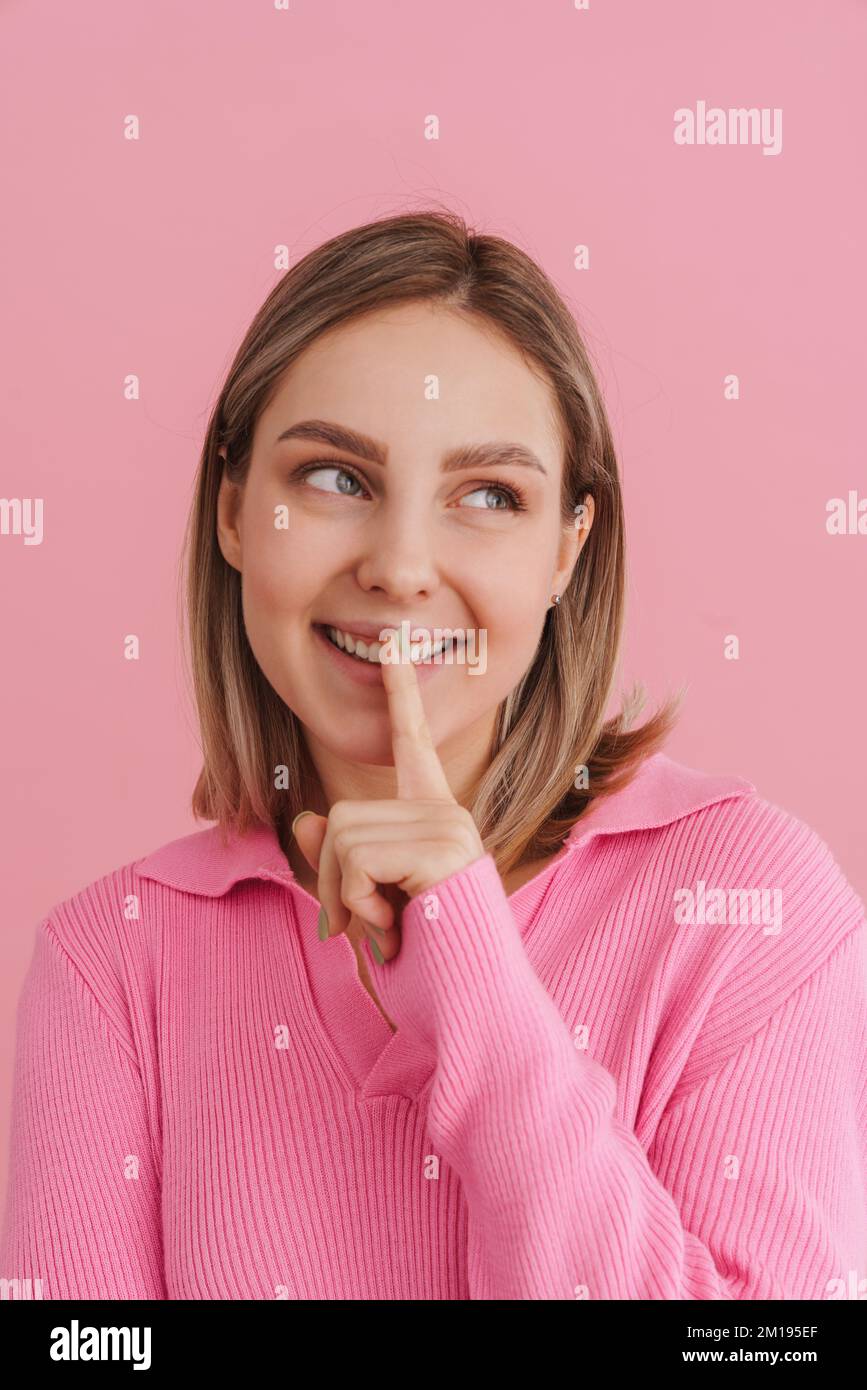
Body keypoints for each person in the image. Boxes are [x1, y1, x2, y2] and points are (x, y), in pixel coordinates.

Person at [1, 211, 865, 1300]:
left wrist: (481, 1001)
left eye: (488, 495)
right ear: (231, 511)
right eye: (334, 478)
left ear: (567, 548)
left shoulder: (750, 903)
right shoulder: (110, 965)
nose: (402, 568)